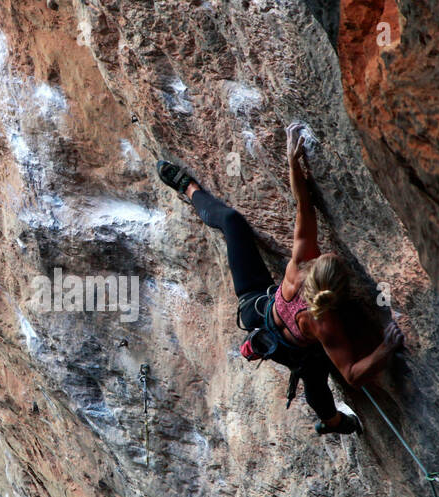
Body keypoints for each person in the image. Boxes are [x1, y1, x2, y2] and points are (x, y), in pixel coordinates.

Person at [157, 122, 404, 434]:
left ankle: (334, 422)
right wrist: (386, 348)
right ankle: (188, 187)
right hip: (275, 327)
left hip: (259, 313)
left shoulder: (300, 270)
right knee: (314, 374)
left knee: (231, 223)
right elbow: (352, 374)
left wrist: (292, 163)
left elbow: (304, 209)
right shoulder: (323, 318)